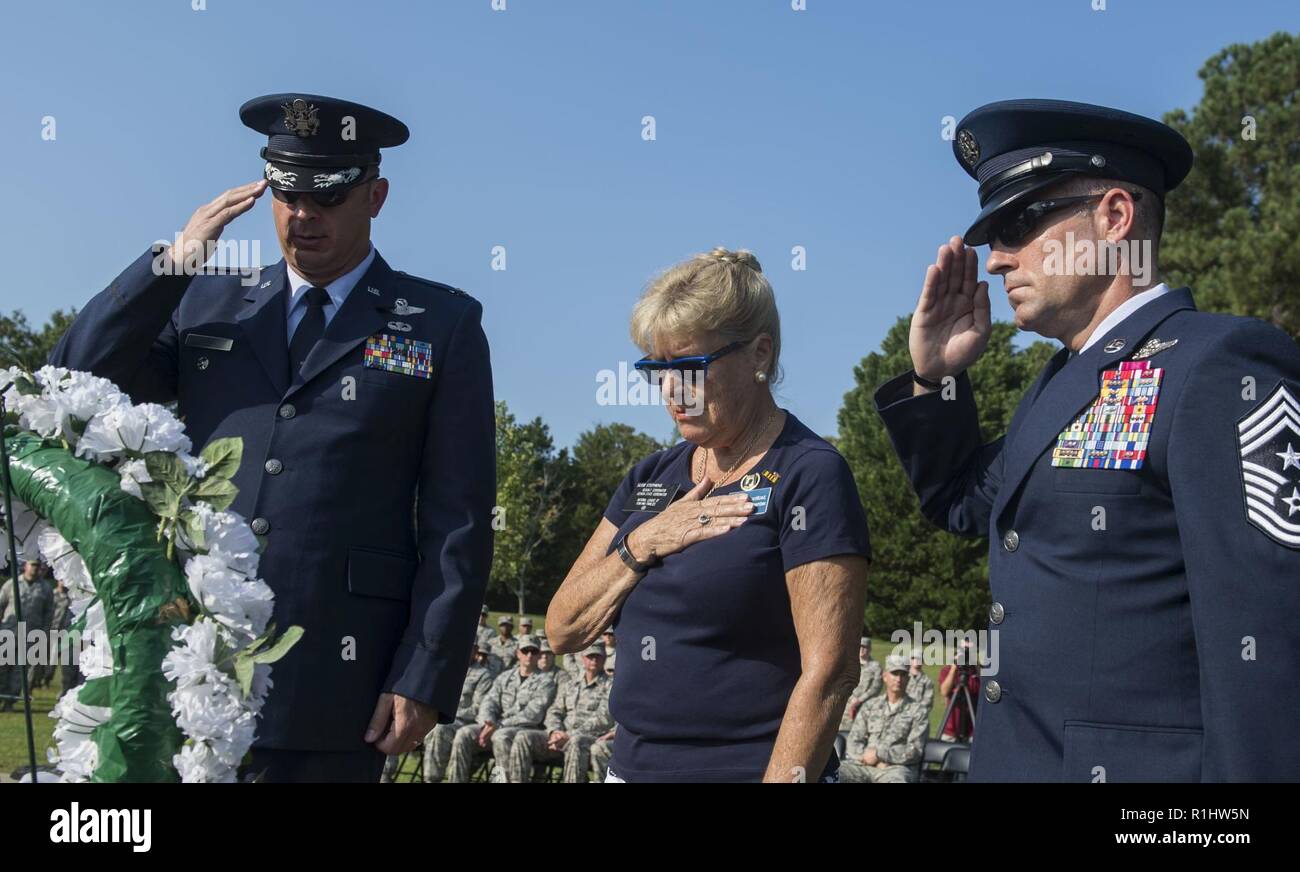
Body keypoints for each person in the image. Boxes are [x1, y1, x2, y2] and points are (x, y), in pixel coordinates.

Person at [50, 93, 496, 782]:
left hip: (338, 676)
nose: (301, 215)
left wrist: (425, 674)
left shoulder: (442, 324)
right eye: (285, 194)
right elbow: (74, 380)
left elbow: (458, 519)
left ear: (375, 196)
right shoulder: (207, 299)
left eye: (326, 197)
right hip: (193, 664)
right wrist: (172, 262)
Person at [874, 99, 1300, 781]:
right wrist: (936, 378)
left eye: (1019, 222)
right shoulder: (1057, 386)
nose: (995, 260)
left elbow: (1269, 649)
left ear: (1113, 218)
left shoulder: (1217, 364)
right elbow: (961, 503)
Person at [547, 247, 871, 783]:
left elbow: (830, 673)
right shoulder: (651, 477)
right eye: (657, 369)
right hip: (630, 769)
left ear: (760, 354)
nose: (672, 391)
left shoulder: (809, 474)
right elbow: (562, 628)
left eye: (691, 367)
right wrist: (642, 544)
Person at [446, 635, 556, 782]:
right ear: (518, 653)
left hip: (524, 729)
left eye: (534, 651)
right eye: (525, 651)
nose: (529, 655)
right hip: (494, 726)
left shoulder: (546, 682)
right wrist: (488, 722)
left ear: (539, 655)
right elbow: (489, 702)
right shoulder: (505, 677)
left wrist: (498, 726)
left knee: (501, 736)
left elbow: (533, 714)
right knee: (464, 733)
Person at [508, 641, 614, 783]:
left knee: (576, 742)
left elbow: (604, 718)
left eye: (598, 656)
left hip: (589, 739)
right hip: (558, 738)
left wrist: (569, 735)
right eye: (590, 656)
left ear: (605, 658)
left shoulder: (611, 686)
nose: (594, 660)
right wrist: (554, 731)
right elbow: (554, 710)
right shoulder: (570, 684)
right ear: (583, 658)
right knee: (523, 737)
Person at [839, 656, 928, 783]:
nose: (898, 679)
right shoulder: (870, 706)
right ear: (885, 676)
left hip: (895, 769)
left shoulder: (918, 711)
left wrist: (880, 755)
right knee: (834, 774)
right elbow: (854, 740)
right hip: (863, 765)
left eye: (903, 674)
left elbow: (915, 750)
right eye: (894, 673)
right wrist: (864, 757)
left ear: (908, 678)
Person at [0, 561, 53, 711]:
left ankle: (9, 703)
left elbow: (49, 614)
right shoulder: (12, 584)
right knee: (2, 668)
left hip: (30, 637)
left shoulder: (46, 588)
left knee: (20, 671)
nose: (35, 568)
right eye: (32, 565)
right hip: (8, 633)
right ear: (25, 566)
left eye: (38, 565)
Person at [937, 641, 980, 743]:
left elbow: (982, 694)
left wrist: (977, 666)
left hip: (971, 730)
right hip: (951, 729)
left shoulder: (976, 673)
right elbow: (944, 692)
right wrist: (954, 668)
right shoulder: (947, 670)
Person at [841, 635, 882, 729]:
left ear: (870, 649)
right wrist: (851, 699)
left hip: (866, 706)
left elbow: (876, 687)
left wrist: (860, 700)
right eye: (860, 647)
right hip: (847, 706)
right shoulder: (849, 665)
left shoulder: (876, 666)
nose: (862, 650)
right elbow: (843, 684)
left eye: (865, 647)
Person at [905, 649, 934, 719]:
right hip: (902, 715)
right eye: (913, 658)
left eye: (919, 658)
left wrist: (915, 712)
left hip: (919, 717)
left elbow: (928, 701)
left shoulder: (927, 681)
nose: (916, 660)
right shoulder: (903, 677)